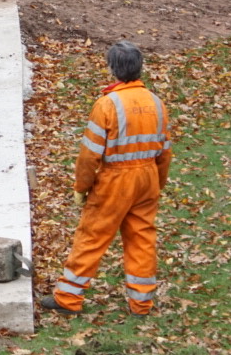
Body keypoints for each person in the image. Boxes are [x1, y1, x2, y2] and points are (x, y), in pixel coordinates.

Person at [40, 40, 173, 316]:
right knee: (142, 239)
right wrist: (157, 184)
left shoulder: (107, 104)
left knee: (93, 235)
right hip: (147, 178)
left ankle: (68, 297)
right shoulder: (157, 103)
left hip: (115, 180)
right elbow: (165, 151)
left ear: (113, 68)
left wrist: (81, 187)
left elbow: (90, 156)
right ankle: (141, 303)